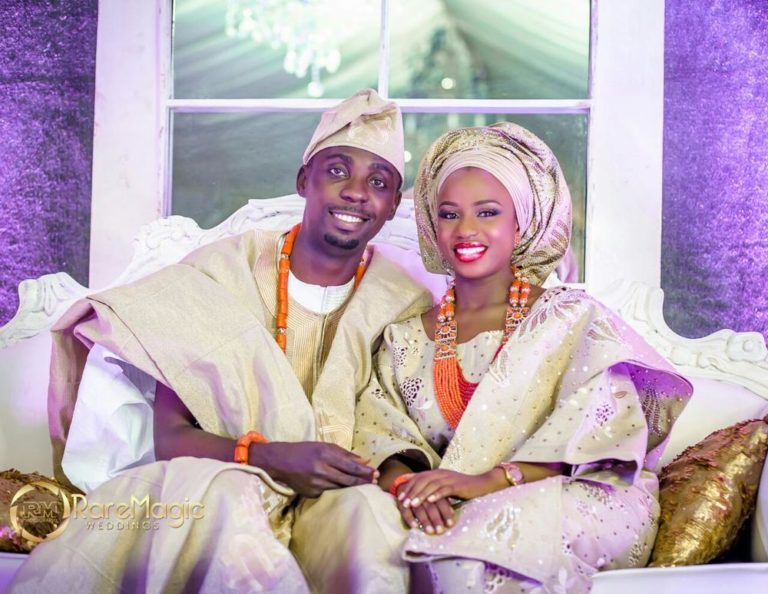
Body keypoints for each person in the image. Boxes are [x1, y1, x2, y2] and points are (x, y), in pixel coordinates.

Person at [8, 90, 433, 594]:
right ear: (305, 181)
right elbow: (171, 437)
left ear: (391, 208)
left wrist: (398, 478)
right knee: (225, 503)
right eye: (337, 171)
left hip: (340, 492)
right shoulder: (219, 274)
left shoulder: (404, 303)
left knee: (369, 520)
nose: (357, 192)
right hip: (226, 476)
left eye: (379, 183)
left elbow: (396, 431)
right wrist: (270, 458)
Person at [317, 122, 693, 593]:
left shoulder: (573, 319)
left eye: (488, 212)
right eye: (449, 214)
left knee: (467, 548)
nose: (466, 230)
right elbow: (378, 436)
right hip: (453, 498)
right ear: (433, 227)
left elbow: (606, 441)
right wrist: (404, 488)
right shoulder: (405, 338)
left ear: (522, 222)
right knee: (385, 538)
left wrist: (490, 480)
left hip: (574, 498)